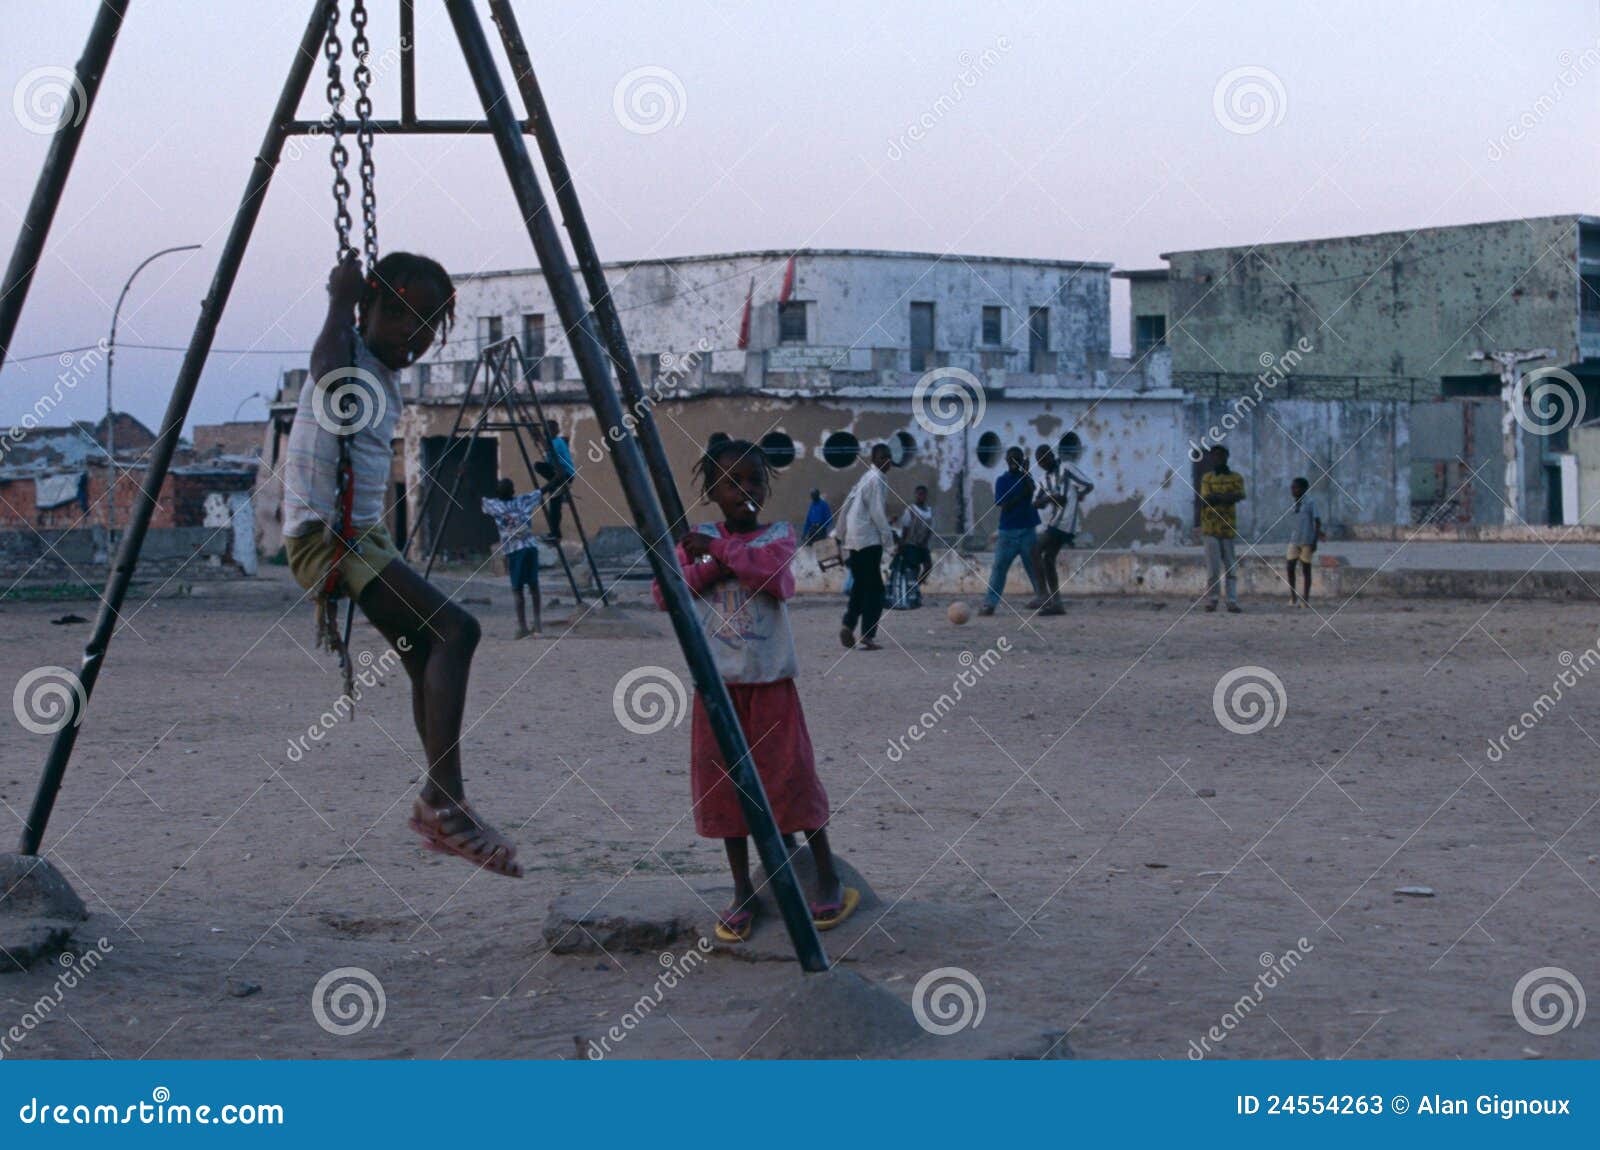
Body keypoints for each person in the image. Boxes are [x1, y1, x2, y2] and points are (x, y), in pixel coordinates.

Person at [283, 253, 521, 877]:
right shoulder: (347, 357)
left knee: (426, 650)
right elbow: (328, 372)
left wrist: (353, 307)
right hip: (329, 538)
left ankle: (439, 802)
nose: (412, 335)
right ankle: (445, 803)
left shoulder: (381, 374)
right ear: (366, 310)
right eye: (399, 316)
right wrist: (338, 299)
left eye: (428, 324)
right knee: (457, 630)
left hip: (363, 537)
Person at [652, 437, 856, 942]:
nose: (744, 490)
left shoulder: (778, 536)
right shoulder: (693, 537)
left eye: (753, 481)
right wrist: (710, 560)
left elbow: (775, 581)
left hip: (770, 683)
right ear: (712, 490)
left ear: (766, 488)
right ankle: (743, 887)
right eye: (731, 482)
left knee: (791, 778)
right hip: (717, 688)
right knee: (726, 790)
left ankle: (825, 874)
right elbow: (666, 592)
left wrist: (719, 555)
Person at [834, 442, 895, 649]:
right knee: (876, 590)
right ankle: (867, 635)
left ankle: (848, 624)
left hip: (854, 540)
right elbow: (877, 513)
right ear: (873, 460)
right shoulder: (877, 480)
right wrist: (889, 542)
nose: (887, 461)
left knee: (860, 586)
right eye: (882, 458)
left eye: (888, 457)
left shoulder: (865, 479)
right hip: (869, 541)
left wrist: (840, 534)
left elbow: (847, 505)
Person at [979, 446, 1042, 616]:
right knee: (999, 567)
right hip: (1007, 532)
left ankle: (1042, 597)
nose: (1014, 462)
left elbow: (1032, 490)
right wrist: (1022, 493)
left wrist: (1025, 474)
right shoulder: (1002, 480)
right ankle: (990, 603)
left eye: (1017, 459)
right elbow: (1003, 505)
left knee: (1034, 567)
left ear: (1022, 460)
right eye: (1011, 459)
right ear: (1006, 461)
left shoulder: (1026, 478)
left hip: (1028, 530)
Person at [1032, 444, 1094, 615]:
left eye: (1045, 460)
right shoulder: (1044, 480)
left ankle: (1043, 595)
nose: (1043, 464)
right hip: (1055, 522)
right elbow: (1035, 503)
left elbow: (1089, 484)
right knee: (1048, 558)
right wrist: (1049, 498)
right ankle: (1056, 602)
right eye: (1040, 462)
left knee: (1035, 550)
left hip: (1065, 523)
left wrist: (1080, 495)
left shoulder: (1066, 468)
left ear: (1051, 456)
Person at [481, 477, 543, 638]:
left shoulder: (495, 505)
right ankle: (537, 622)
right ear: (513, 491)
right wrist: (558, 479)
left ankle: (522, 626)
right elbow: (542, 491)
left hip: (514, 551)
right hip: (530, 547)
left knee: (517, 589)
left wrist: (463, 475)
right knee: (534, 586)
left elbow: (479, 498)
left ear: (497, 493)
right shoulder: (523, 501)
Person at [1199, 445, 1247, 614]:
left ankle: (1232, 601)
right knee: (1213, 568)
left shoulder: (1236, 477)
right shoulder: (1207, 478)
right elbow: (1207, 498)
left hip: (1227, 528)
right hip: (1210, 527)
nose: (1218, 459)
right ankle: (1212, 599)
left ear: (1227, 457)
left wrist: (1217, 497)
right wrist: (1226, 497)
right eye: (1215, 456)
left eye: (1221, 456)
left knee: (1230, 567)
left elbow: (1239, 495)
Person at [537, 418, 576, 541]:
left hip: (565, 475)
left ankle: (555, 533)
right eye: (544, 430)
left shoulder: (557, 442)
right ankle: (555, 534)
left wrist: (538, 436)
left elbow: (548, 449)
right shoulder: (552, 443)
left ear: (555, 431)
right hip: (558, 475)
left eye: (548, 429)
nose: (545, 432)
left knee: (538, 466)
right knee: (554, 505)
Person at [1285, 476, 1321, 608]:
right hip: (1294, 539)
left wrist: (1315, 541)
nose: (1293, 490)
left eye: (1296, 488)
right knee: (1290, 566)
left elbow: (1317, 522)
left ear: (1304, 489)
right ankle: (1293, 597)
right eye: (1292, 488)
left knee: (1306, 568)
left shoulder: (1311, 502)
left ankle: (1305, 598)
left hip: (1307, 540)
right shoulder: (1293, 503)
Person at [894, 484, 935, 589]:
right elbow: (905, 527)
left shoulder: (929, 511)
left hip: (923, 545)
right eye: (919, 494)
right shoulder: (910, 510)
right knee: (914, 567)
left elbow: (930, 529)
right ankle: (911, 589)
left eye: (923, 494)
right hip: (911, 543)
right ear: (916, 495)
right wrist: (902, 544)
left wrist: (925, 541)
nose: (921, 496)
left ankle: (917, 585)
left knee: (928, 566)